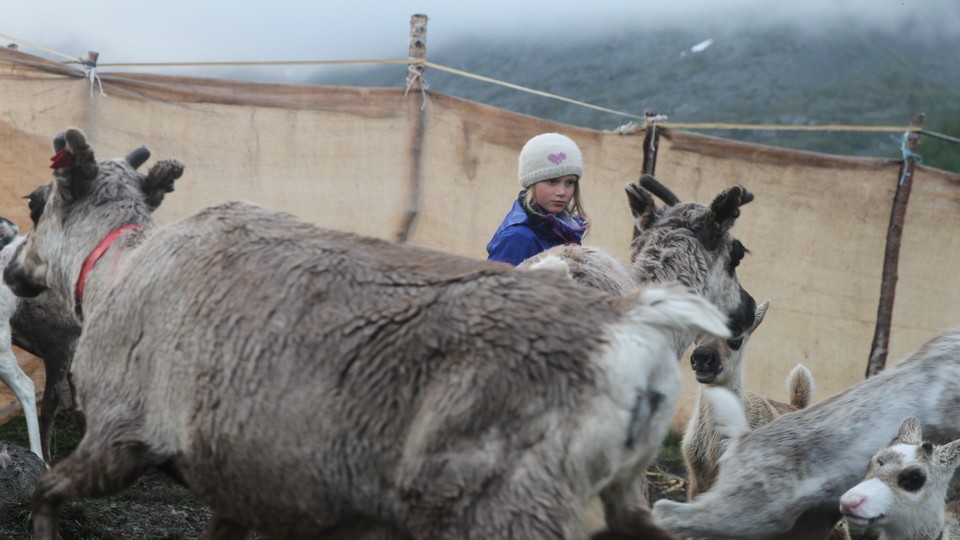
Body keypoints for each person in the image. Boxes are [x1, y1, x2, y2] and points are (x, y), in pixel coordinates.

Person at [486, 133, 589, 266]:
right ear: (532, 183)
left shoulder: (566, 229)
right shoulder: (518, 237)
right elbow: (498, 285)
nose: (562, 192)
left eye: (569, 182)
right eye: (552, 181)